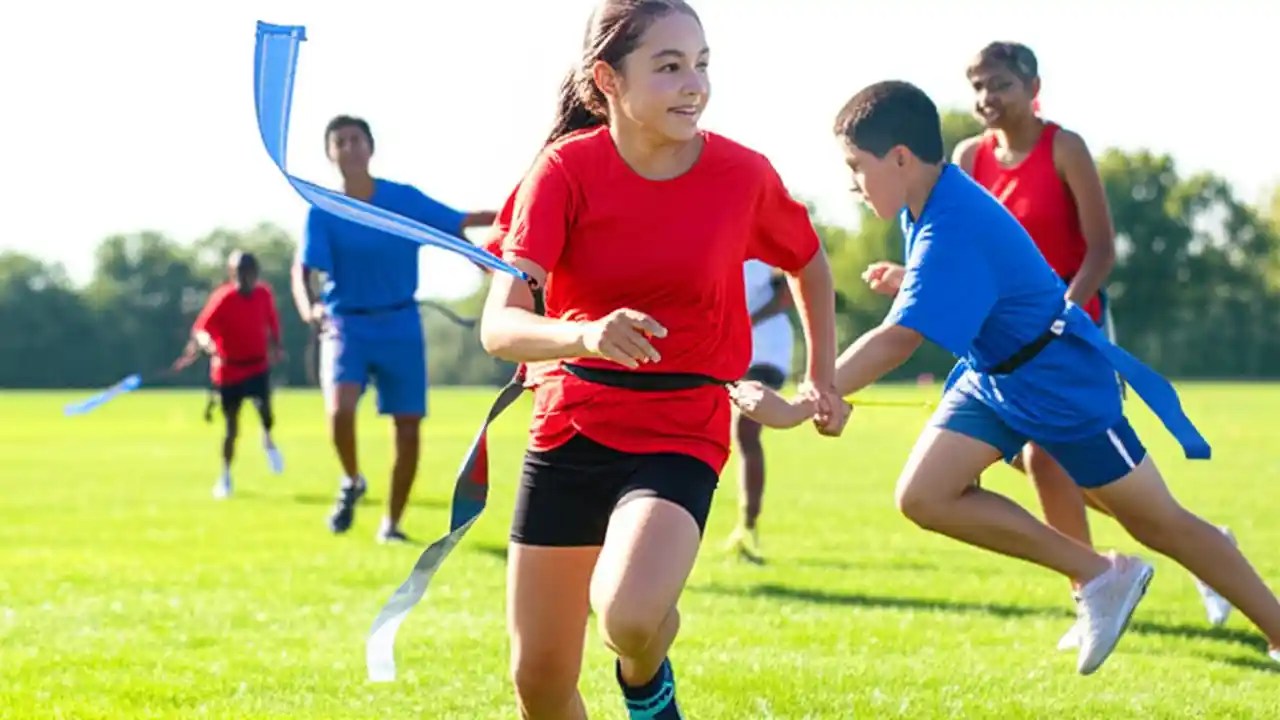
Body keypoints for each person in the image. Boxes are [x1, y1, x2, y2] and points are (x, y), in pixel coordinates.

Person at [747, 79, 1280, 675]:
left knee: (1158, 522)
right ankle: (1100, 573)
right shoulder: (921, 203)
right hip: (994, 379)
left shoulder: (951, 221)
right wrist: (910, 286)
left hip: (1060, 385)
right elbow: (966, 284)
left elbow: (899, 339)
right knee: (924, 495)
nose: (850, 183)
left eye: (856, 167)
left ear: (899, 158)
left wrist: (807, 397)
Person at [477, 2, 840, 717]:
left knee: (629, 617)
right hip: (570, 429)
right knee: (540, 683)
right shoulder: (560, 173)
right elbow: (501, 325)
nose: (694, 85)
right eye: (669, 67)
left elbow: (809, 260)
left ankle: (646, 677)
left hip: (682, 427)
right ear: (607, 79)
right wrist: (583, 335)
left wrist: (819, 377)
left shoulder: (741, 175)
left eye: (702, 64)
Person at [951, 41, 1234, 643]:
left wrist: (1063, 312)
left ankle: (1106, 588)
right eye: (977, 86)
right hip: (1007, 344)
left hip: (1070, 332)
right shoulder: (970, 158)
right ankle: (1171, 561)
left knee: (1047, 459)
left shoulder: (1065, 148)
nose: (986, 99)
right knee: (1076, 477)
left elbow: (1101, 248)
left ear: (1033, 88)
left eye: (998, 84)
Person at [291, 114, 498, 543]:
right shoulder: (325, 210)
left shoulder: (402, 200)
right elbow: (303, 269)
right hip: (346, 323)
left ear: (370, 147)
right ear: (330, 154)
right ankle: (352, 479)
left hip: (401, 323)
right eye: (340, 142)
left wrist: (524, 210)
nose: (349, 148)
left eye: (356, 140)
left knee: (407, 425)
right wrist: (310, 307)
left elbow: (457, 224)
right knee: (339, 408)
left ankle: (392, 524)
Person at [177, 250, 284, 499]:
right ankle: (225, 476)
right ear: (232, 274)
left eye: (249, 274)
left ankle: (268, 440)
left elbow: (272, 321)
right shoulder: (223, 298)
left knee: (266, 414)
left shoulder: (264, 294)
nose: (245, 280)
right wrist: (207, 343)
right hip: (229, 370)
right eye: (240, 274)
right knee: (231, 428)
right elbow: (201, 328)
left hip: (257, 366)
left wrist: (277, 345)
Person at [723, 260, 794, 563]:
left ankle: (748, 524)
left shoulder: (761, 241)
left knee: (745, 430)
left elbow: (789, 293)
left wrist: (746, 321)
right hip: (731, 349)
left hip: (767, 349)